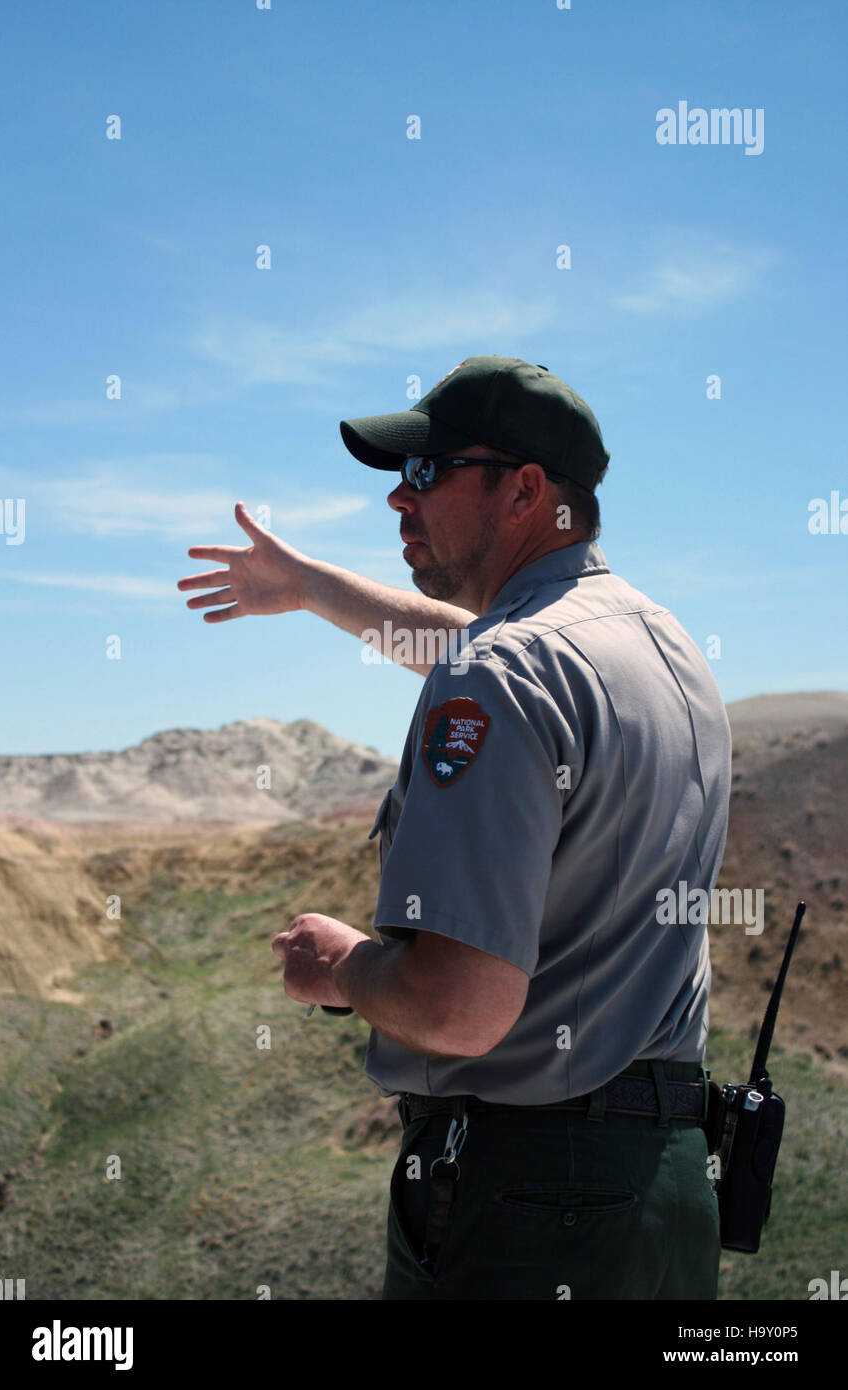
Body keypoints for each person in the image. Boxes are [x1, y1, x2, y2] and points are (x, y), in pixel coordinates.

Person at [178, 354, 731, 1300]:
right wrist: (308, 585)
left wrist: (342, 968)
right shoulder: (658, 643)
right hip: (667, 1192)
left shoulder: (503, 672)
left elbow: (458, 1010)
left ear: (524, 490)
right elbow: (461, 645)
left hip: (527, 1207)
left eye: (428, 472)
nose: (400, 499)